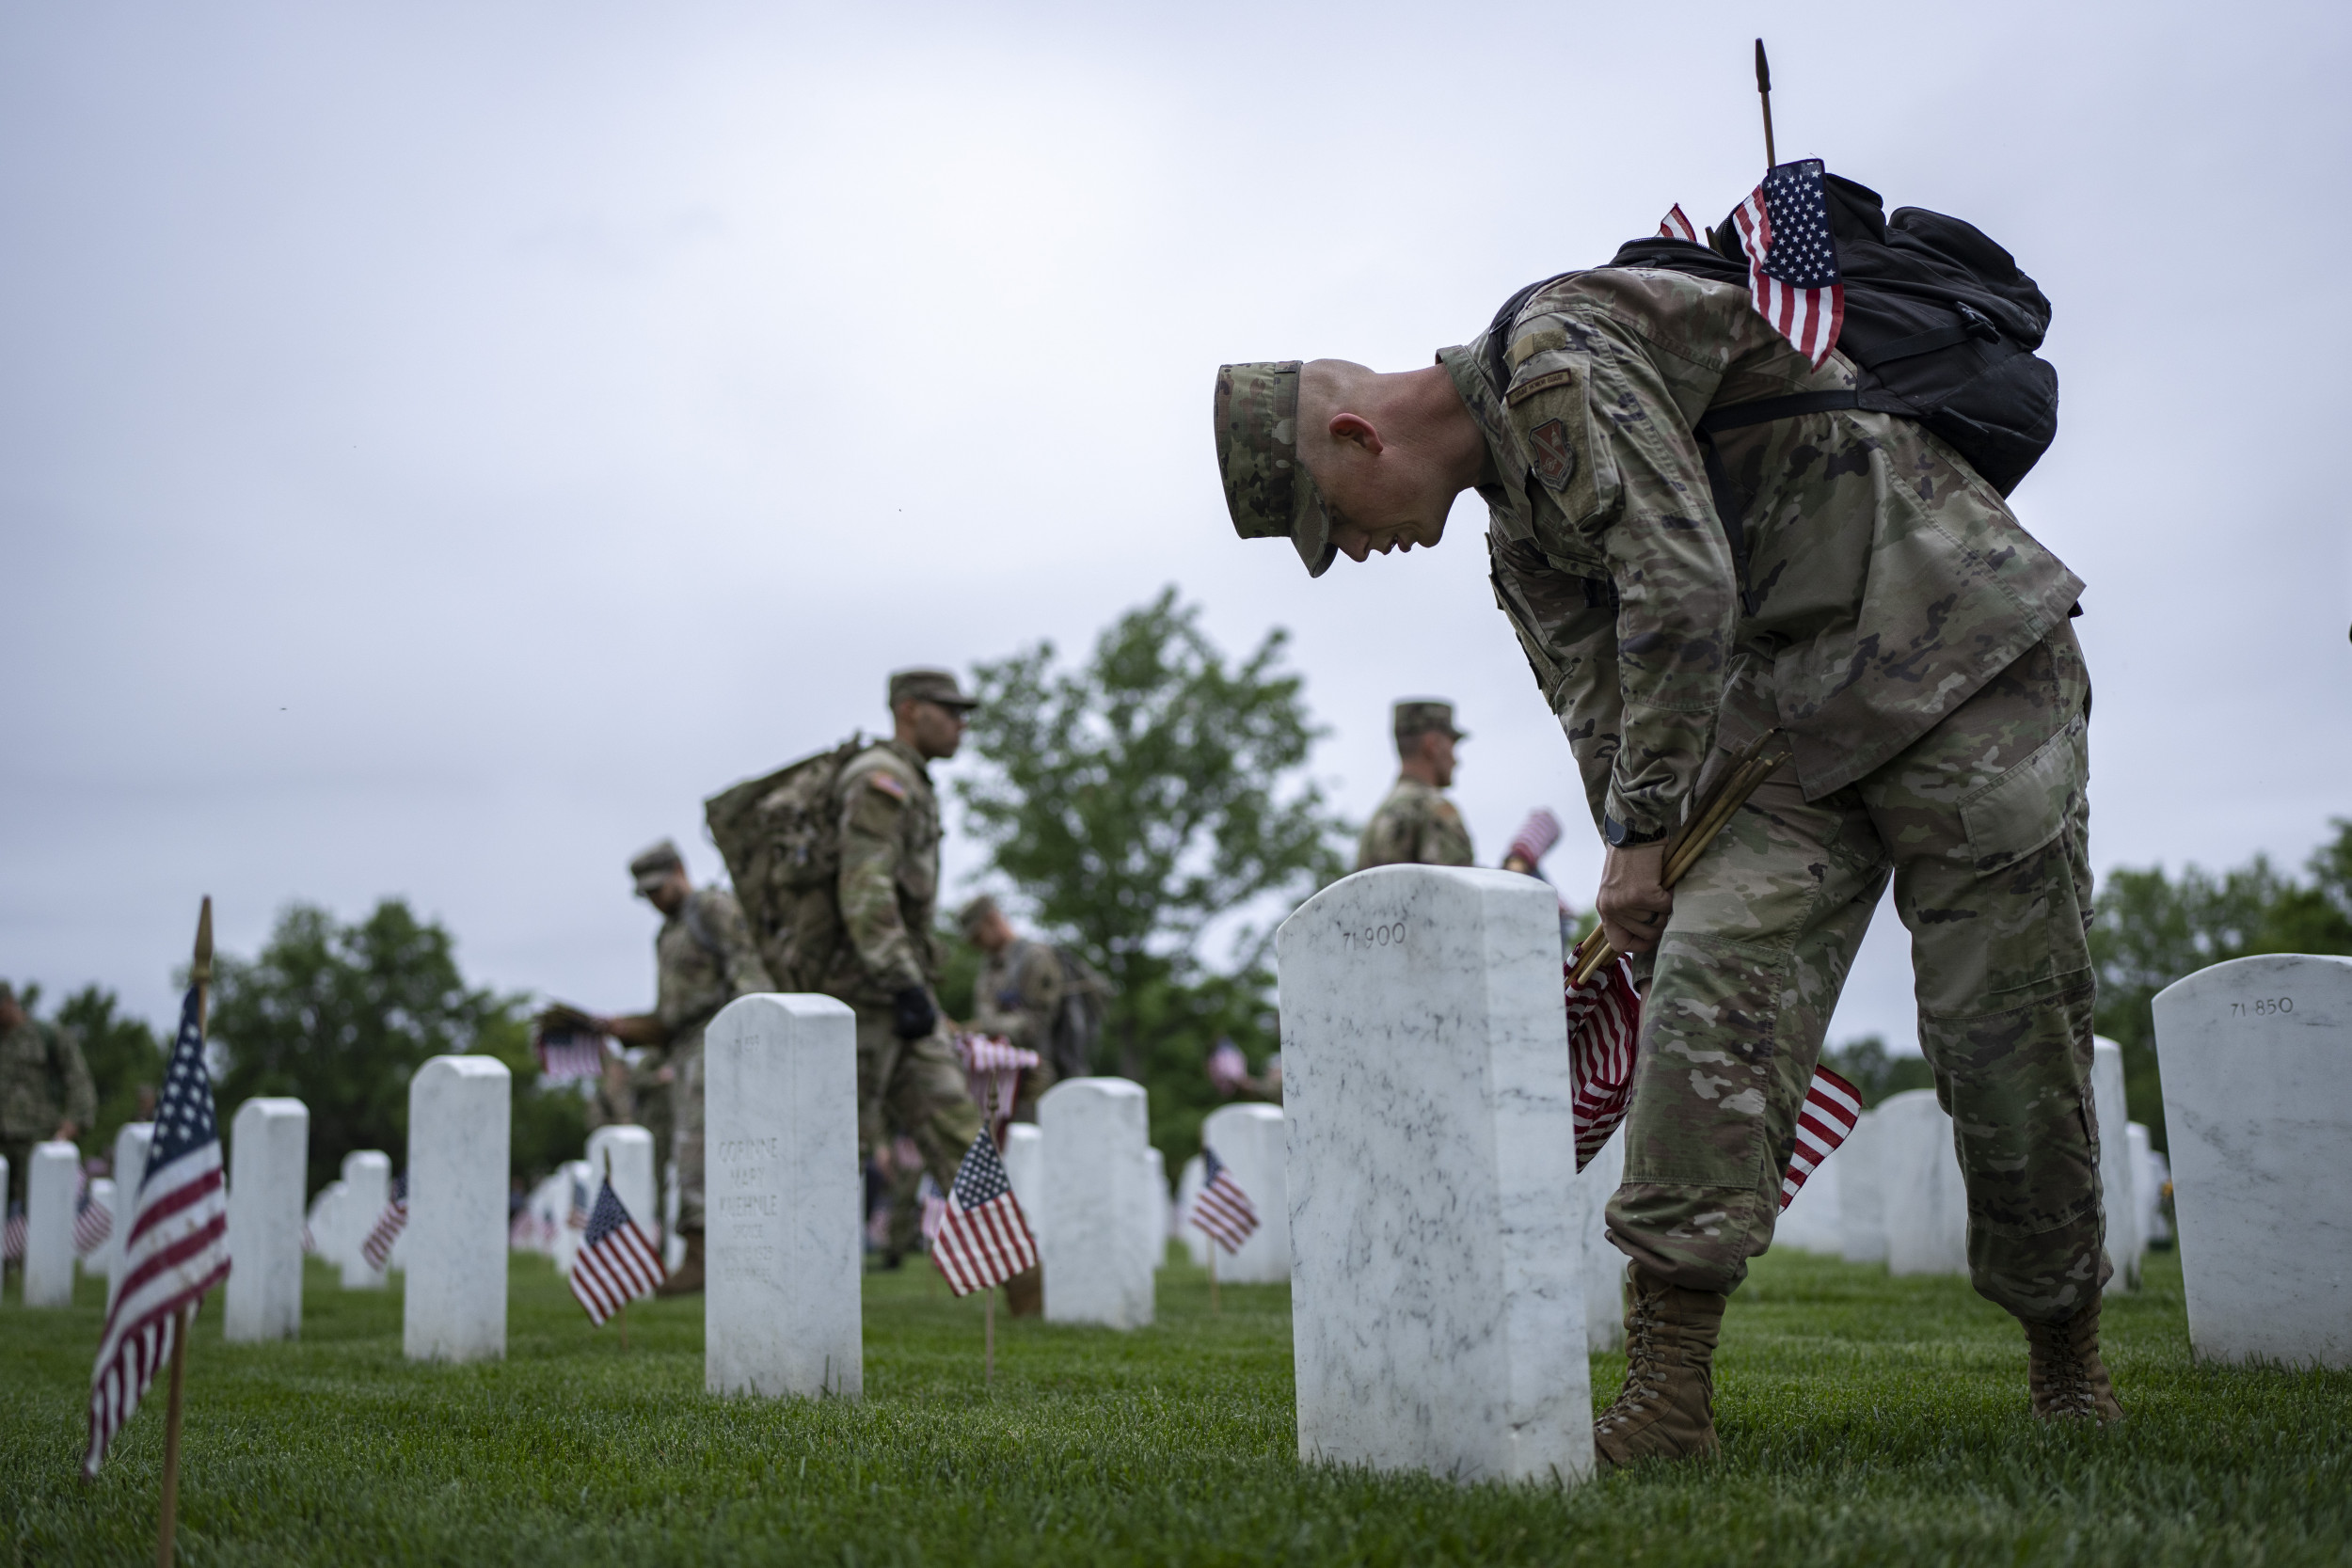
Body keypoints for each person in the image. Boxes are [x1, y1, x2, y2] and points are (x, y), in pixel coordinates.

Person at [1214, 243, 2107, 1460]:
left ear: (1363, 437)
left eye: (1334, 523)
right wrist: (1645, 871)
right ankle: (1670, 1388)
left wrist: (1644, 835)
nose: (1355, 551)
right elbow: (1602, 713)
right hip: (1792, 729)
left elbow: (1681, 589)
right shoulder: (1520, 541)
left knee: (1999, 1022)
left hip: (1959, 654)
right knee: (1705, 1000)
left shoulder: (1556, 355)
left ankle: (2067, 1352)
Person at [814, 670, 986, 1206]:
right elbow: (865, 886)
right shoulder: (880, 778)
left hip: (902, 992)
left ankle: (1023, 1279)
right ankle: (804, 1285)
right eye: (949, 711)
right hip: (863, 995)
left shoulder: (911, 782)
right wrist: (902, 980)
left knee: (961, 1132)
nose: (961, 724)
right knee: (836, 1148)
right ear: (910, 710)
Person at [591, 839, 771, 1294]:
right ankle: (700, 1252)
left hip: (722, 1038)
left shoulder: (710, 909)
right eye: (645, 893)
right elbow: (671, 1015)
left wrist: (750, 1041)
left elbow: (748, 975)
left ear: (679, 871)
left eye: (658, 887)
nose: (653, 900)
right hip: (684, 1046)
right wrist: (622, 1028)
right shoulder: (667, 933)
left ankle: (701, 1257)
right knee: (685, 1147)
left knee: (697, 1146)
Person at [958, 895, 1067, 1125]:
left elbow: (1036, 1023)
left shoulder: (1035, 958)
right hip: (997, 1081)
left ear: (992, 920)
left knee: (1031, 1147)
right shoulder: (989, 966)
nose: (977, 945)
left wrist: (983, 1027)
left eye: (978, 936)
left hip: (1034, 1080)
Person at [0, 980, 97, 1218]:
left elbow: (78, 1079)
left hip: (37, 1140)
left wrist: (73, 1122)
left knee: (36, 1215)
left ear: (11, 1003)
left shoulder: (46, 1035)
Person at [1356, 701, 1474, 871]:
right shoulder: (1434, 809)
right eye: (1452, 747)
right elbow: (1460, 889)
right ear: (1432, 745)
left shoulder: (1377, 820)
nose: (1456, 761)